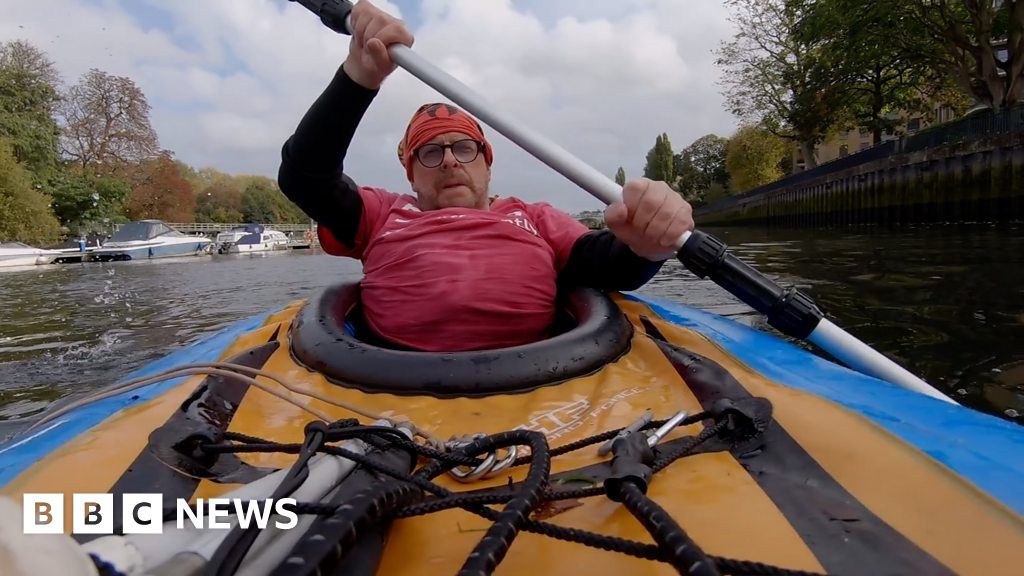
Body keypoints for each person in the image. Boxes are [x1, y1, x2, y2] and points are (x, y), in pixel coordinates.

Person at [278, 0, 694, 352]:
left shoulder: (534, 217)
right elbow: (305, 177)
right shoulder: (380, 214)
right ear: (411, 176)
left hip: (543, 378)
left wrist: (645, 246)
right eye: (430, 152)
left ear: (487, 163)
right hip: (388, 382)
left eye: (463, 148)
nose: (449, 161)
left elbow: (607, 267)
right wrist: (359, 75)